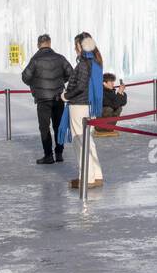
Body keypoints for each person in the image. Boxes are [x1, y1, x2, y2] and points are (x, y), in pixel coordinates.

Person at [21, 33, 73, 163]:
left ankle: (48, 155)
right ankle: (59, 153)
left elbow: (25, 77)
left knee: (44, 127)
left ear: (39, 44)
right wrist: (61, 80)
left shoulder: (35, 60)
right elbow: (71, 74)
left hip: (43, 99)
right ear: (49, 43)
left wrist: (35, 84)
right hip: (58, 97)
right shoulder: (60, 58)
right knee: (58, 126)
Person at [61, 32, 104, 189]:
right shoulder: (94, 62)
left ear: (82, 45)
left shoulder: (84, 64)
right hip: (87, 106)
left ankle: (86, 177)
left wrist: (66, 95)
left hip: (79, 106)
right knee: (88, 141)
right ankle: (96, 174)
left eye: (76, 45)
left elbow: (80, 86)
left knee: (80, 141)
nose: (74, 48)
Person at [94, 73, 126, 137]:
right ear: (104, 83)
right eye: (111, 82)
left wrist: (122, 93)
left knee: (119, 108)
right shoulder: (100, 92)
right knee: (108, 109)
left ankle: (109, 128)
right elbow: (114, 105)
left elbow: (123, 103)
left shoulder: (111, 91)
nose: (113, 84)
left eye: (113, 82)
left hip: (110, 126)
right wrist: (119, 93)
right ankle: (103, 129)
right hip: (99, 126)